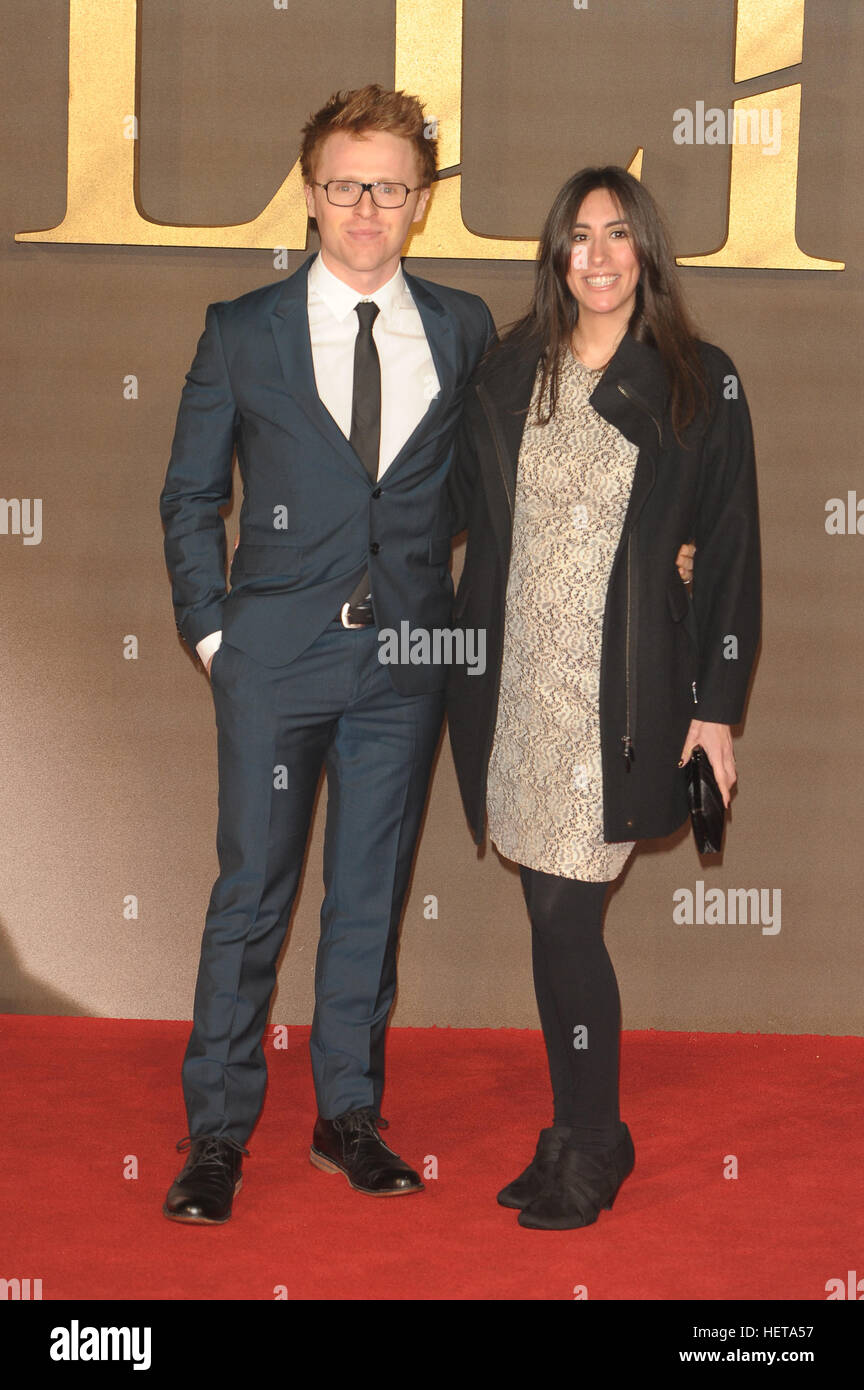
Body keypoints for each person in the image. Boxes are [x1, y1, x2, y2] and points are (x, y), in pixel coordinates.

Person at [158, 85, 496, 1223]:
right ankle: (215, 1135)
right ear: (310, 194)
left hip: (404, 665)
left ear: (420, 204)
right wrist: (218, 637)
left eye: (390, 187)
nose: (366, 206)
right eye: (347, 183)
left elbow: (480, 500)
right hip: (273, 661)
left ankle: (348, 1114)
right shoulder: (239, 329)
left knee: (367, 900)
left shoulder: (461, 327)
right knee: (251, 895)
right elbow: (191, 495)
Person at [446, 166, 761, 1231]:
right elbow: (454, 511)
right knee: (547, 916)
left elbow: (728, 555)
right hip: (518, 691)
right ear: (555, 255)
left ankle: (593, 1138)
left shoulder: (694, 382)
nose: (599, 256)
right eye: (578, 236)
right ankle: (578, 1127)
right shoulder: (507, 376)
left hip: (620, 701)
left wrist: (714, 709)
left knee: (568, 916)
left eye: (618, 234)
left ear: (647, 252)